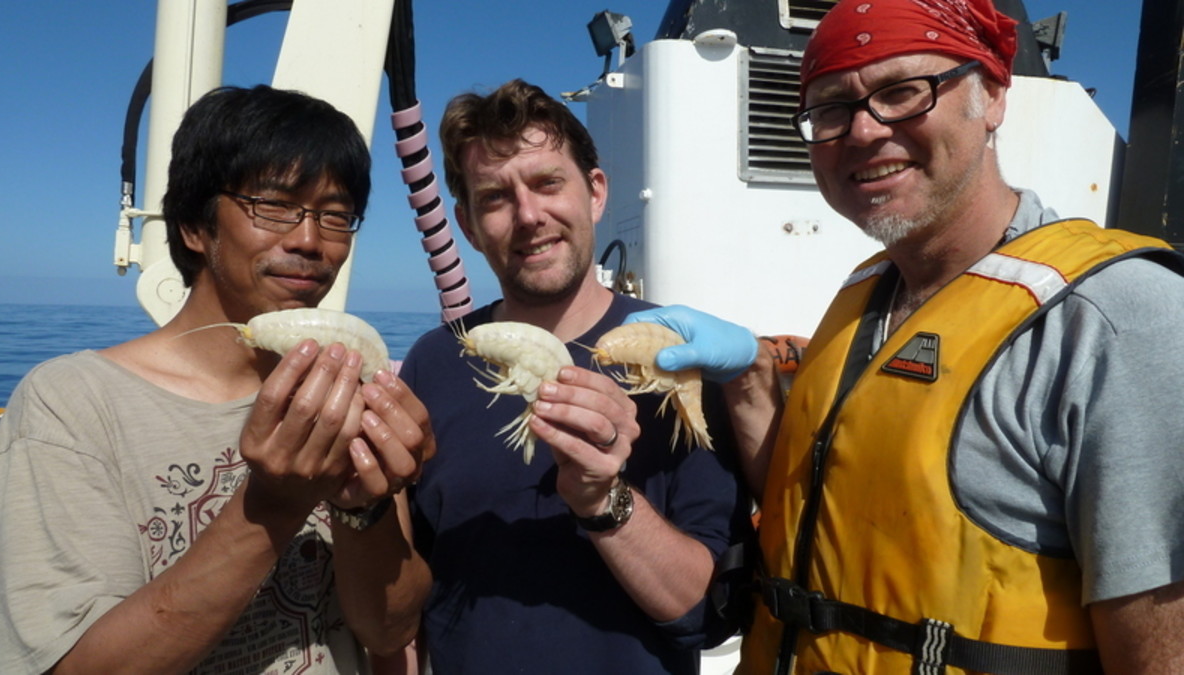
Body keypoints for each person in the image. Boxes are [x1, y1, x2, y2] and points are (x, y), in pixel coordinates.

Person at [626, 0, 1184, 673]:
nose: (863, 131)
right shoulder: (868, 291)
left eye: (902, 91)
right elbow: (819, 502)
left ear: (994, 96)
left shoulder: (1118, 321)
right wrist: (748, 377)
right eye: (831, 108)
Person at [0, 85, 433, 674]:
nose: (310, 240)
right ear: (195, 226)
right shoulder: (71, 404)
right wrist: (274, 504)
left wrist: (365, 509)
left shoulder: (348, 395)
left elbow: (389, 630)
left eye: (335, 214)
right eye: (273, 205)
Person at [394, 79, 751, 674]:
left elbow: (703, 611)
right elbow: (409, 591)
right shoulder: (433, 363)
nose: (529, 215)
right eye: (495, 197)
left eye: (547, 183)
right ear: (466, 222)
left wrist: (601, 499)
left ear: (595, 192)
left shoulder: (672, 358)